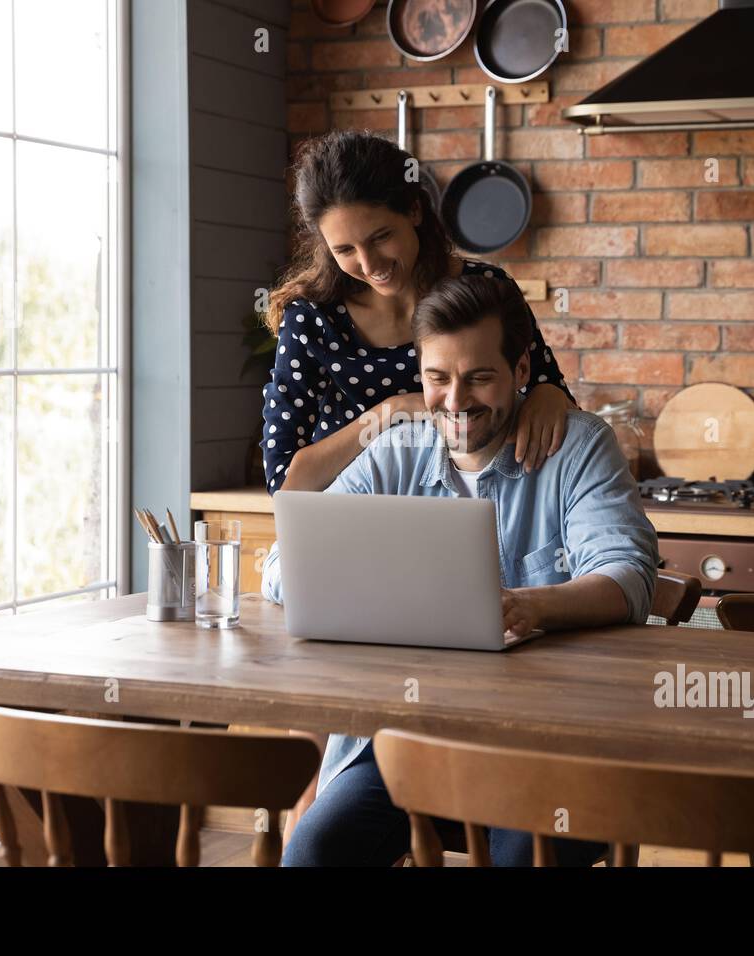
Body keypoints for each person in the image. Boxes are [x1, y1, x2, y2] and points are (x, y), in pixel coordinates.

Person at [261, 275, 660, 867]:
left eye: (479, 377)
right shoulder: (396, 451)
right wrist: (382, 593)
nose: (455, 401)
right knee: (313, 853)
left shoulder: (579, 448)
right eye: (438, 379)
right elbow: (279, 567)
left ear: (522, 370)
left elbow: (628, 575)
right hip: (405, 738)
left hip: (551, 744)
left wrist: (532, 606)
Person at [261, 129, 577, 495]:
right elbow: (285, 482)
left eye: (381, 237)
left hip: (485, 504)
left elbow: (548, 391)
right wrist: (391, 412)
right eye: (345, 249)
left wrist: (551, 395)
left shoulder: (484, 289)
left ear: (414, 210)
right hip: (349, 523)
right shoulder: (313, 317)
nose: (369, 264)